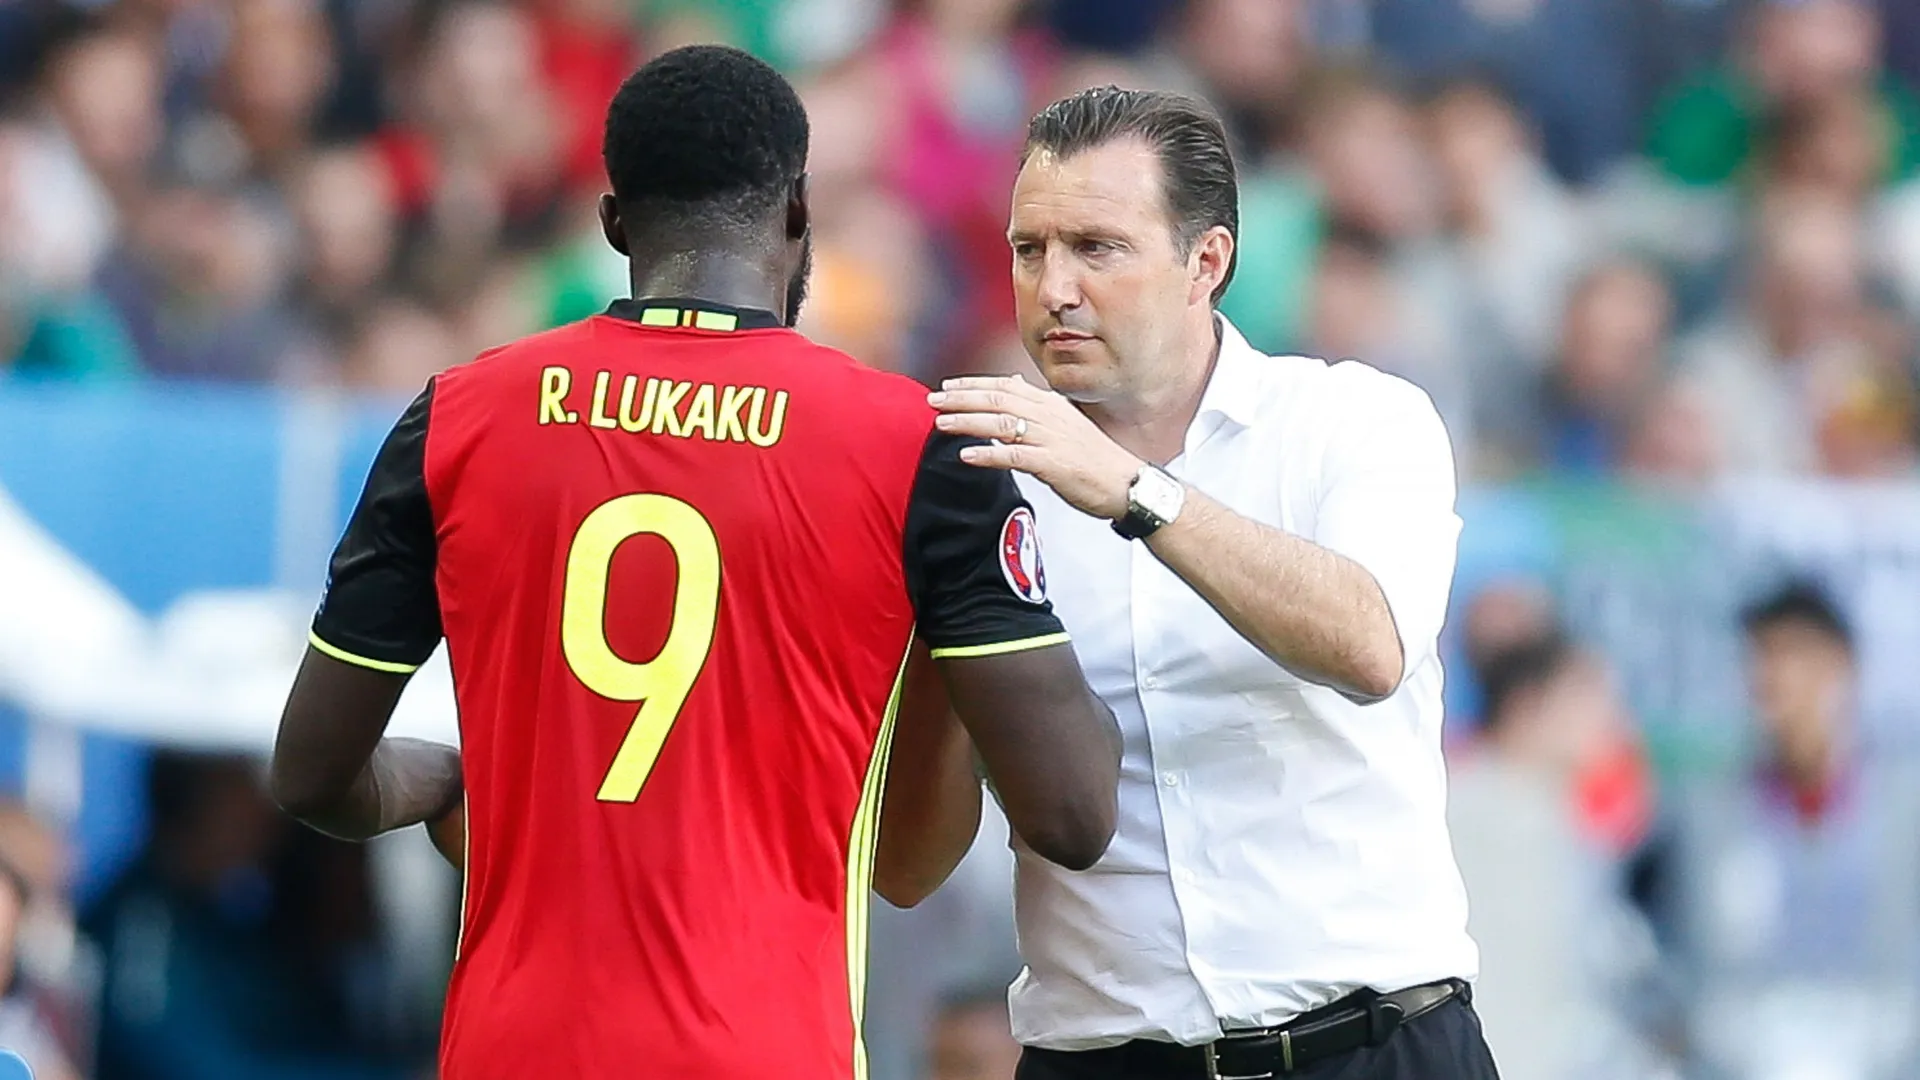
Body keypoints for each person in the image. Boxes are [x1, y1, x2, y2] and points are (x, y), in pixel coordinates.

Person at [269, 45, 1121, 1080]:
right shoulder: (915, 448)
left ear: (615, 223)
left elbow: (312, 775)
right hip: (764, 1051)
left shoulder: (456, 417)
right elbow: (1072, 816)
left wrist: (456, 776)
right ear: (800, 216)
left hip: (512, 1051)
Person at [894, 86, 1500, 1079]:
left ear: (1205, 262)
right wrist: (940, 637)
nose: (1054, 288)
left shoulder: (1353, 421)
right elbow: (910, 871)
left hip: (1375, 1042)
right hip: (1102, 1054)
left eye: (1097, 247)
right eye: (1028, 249)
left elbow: (1369, 645)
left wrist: (1134, 492)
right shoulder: (975, 487)